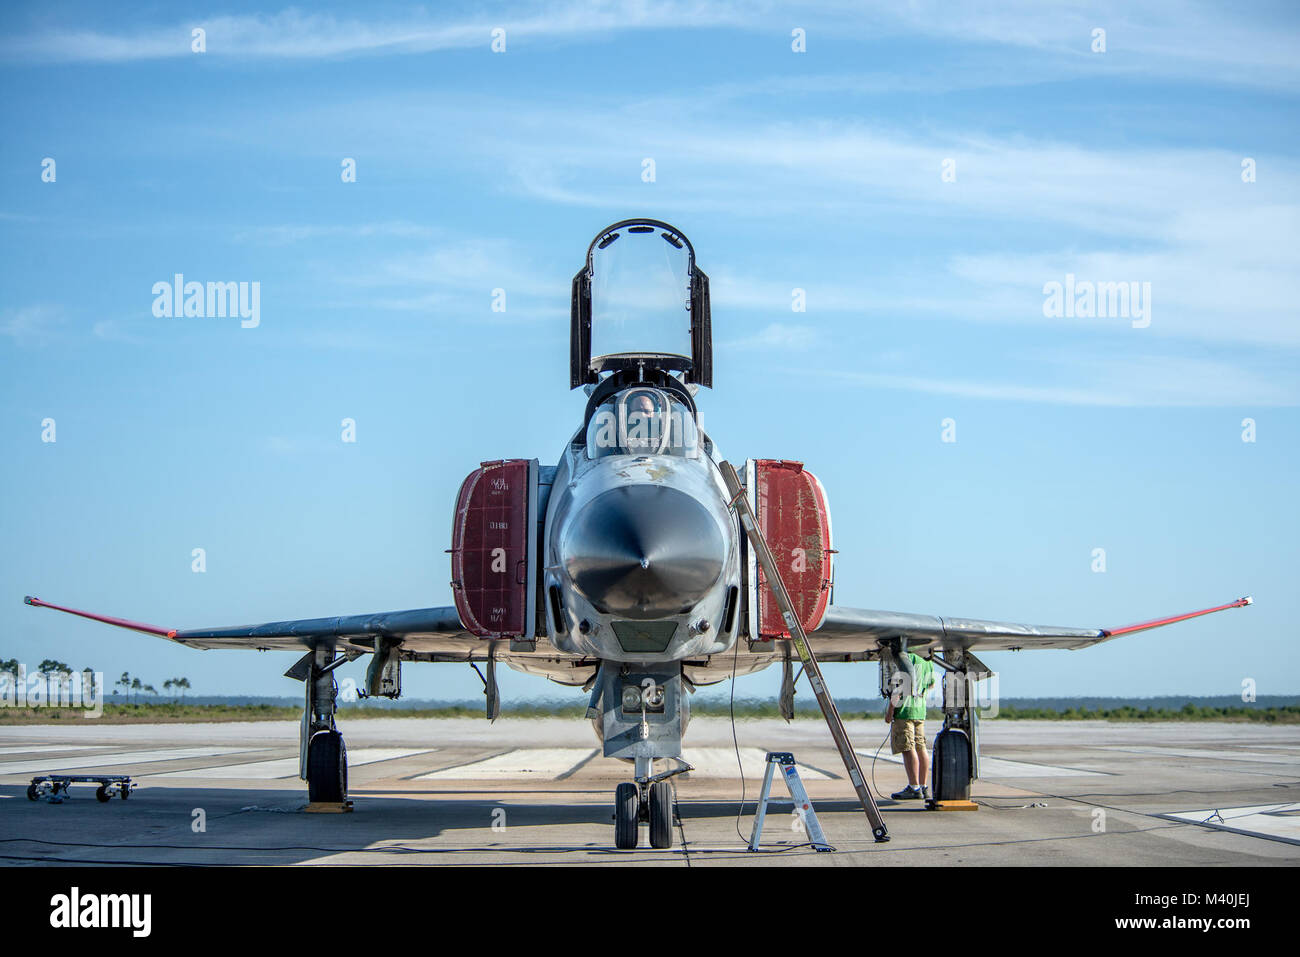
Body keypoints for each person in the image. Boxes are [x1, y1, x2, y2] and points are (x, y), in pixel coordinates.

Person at [885, 646, 935, 800]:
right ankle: (923, 786)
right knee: (921, 748)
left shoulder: (906, 658)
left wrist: (890, 712)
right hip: (920, 710)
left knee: (908, 748)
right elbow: (931, 684)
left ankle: (913, 787)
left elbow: (898, 690)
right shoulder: (927, 661)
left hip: (905, 710)